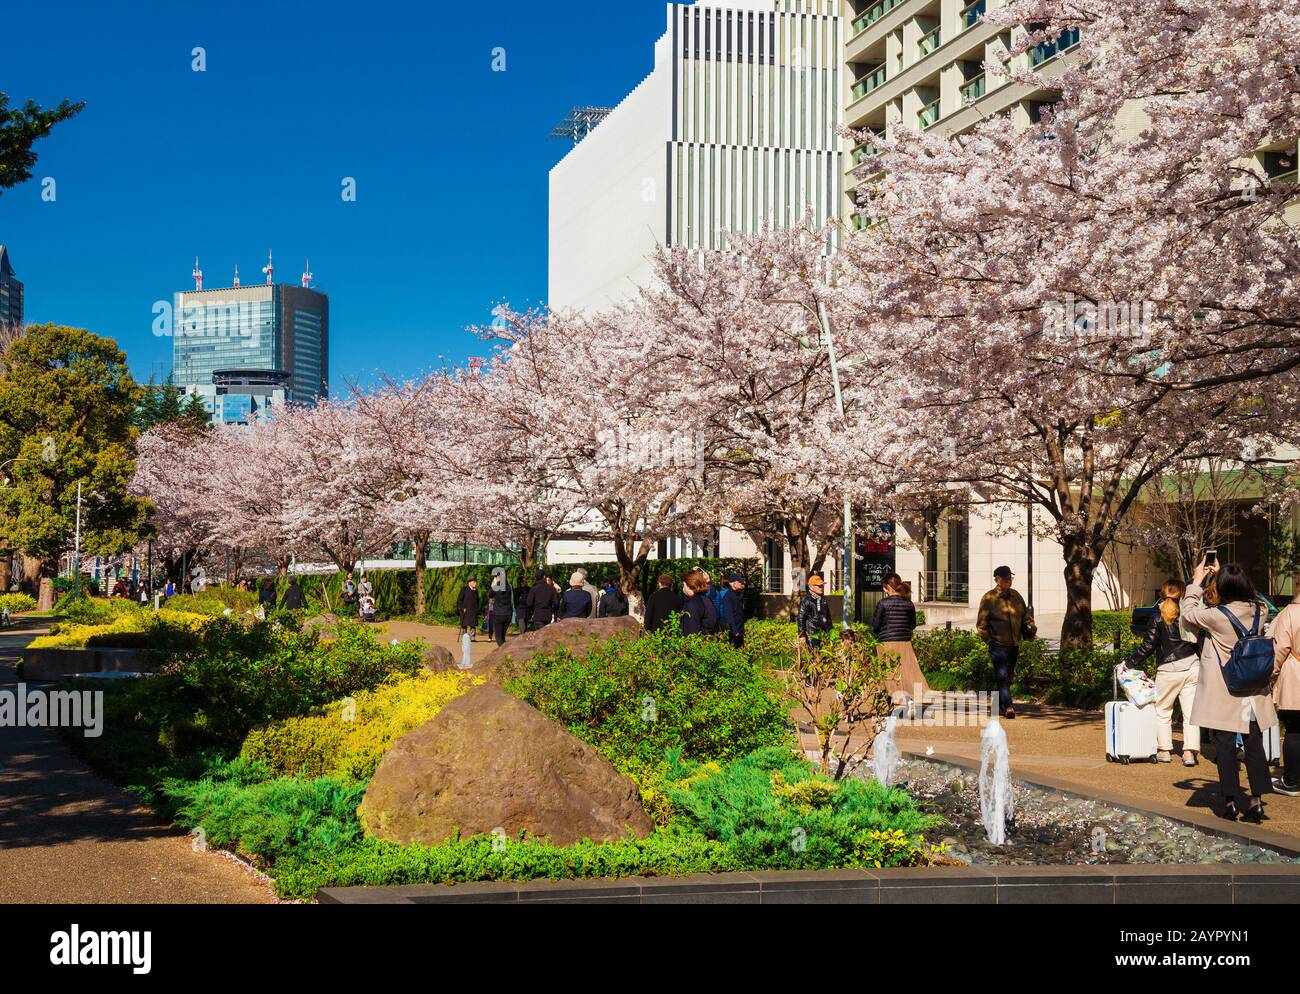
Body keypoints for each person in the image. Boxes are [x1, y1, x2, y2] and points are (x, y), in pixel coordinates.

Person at [1183, 559, 1279, 823]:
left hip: (1225, 689)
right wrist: (1228, 571)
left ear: (1223, 587)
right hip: (1253, 689)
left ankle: (1229, 802)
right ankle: (1256, 801)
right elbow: (1255, 595)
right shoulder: (1259, 609)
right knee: (1254, 746)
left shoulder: (1216, 616)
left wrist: (1197, 581)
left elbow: (1188, 612)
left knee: (1224, 747)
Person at [1124, 579, 1201, 766]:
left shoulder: (1157, 617)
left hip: (1168, 670)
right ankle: (1189, 753)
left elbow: (1148, 645)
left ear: (1162, 593)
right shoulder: (1188, 613)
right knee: (1191, 713)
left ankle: (1164, 750)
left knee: (1162, 710)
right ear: (1182, 593)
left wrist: (1130, 662)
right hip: (1192, 665)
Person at [976, 566, 1034, 719]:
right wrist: (990, 641)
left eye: (1010, 578)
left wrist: (1030, 629)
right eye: (1006, 578)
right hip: (997, 645)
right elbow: (981, 625)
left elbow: (1026, 617)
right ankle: (1008, 706)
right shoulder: (989, 598)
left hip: (1014, 644)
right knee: (1002, 676)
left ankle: (998, 706)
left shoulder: (1016, 596)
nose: (1009, 581)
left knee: (1007, 677)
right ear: (997, 580)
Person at [1269, 589, 1300, 796]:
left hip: (1295, 676)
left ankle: (1291, 782)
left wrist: (1271, 675)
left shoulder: (1290, 613)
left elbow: (1279, 649)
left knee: (1294, 730)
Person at [798, 573, 833, 651]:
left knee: (822, 658)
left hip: (822, 633)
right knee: (813, 656)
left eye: (822, 586)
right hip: (811, 634)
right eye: (819, 586)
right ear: (811, 587)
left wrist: (831, 632)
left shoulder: (822, 599)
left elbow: (828, 618)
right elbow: (801, 618)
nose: (821, 588)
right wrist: (802, 635)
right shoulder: (806, 600)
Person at [680, 568, 719, 636]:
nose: (683, 587)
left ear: (689, 586)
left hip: (695, 643)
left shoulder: (692, 604)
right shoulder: (704, 599)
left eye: (684, 585)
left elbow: (691, 632)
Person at [718, 573, 746, 648]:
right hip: (734, 631)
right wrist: (734, 630)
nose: (742, 584)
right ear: (734, 584)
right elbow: (729, 615)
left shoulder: (737, 594)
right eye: (740, 582)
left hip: (739, 629)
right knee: (734, 650)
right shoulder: (728, 597)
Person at [489, 567, 514, 646]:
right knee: (503, 636)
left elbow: (490, 595)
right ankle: (505, 652)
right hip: (508, 614)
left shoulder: (496, 586)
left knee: (498, 637)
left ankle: (504, 653)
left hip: (499, 614)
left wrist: (494, 584)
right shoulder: (509, 586)